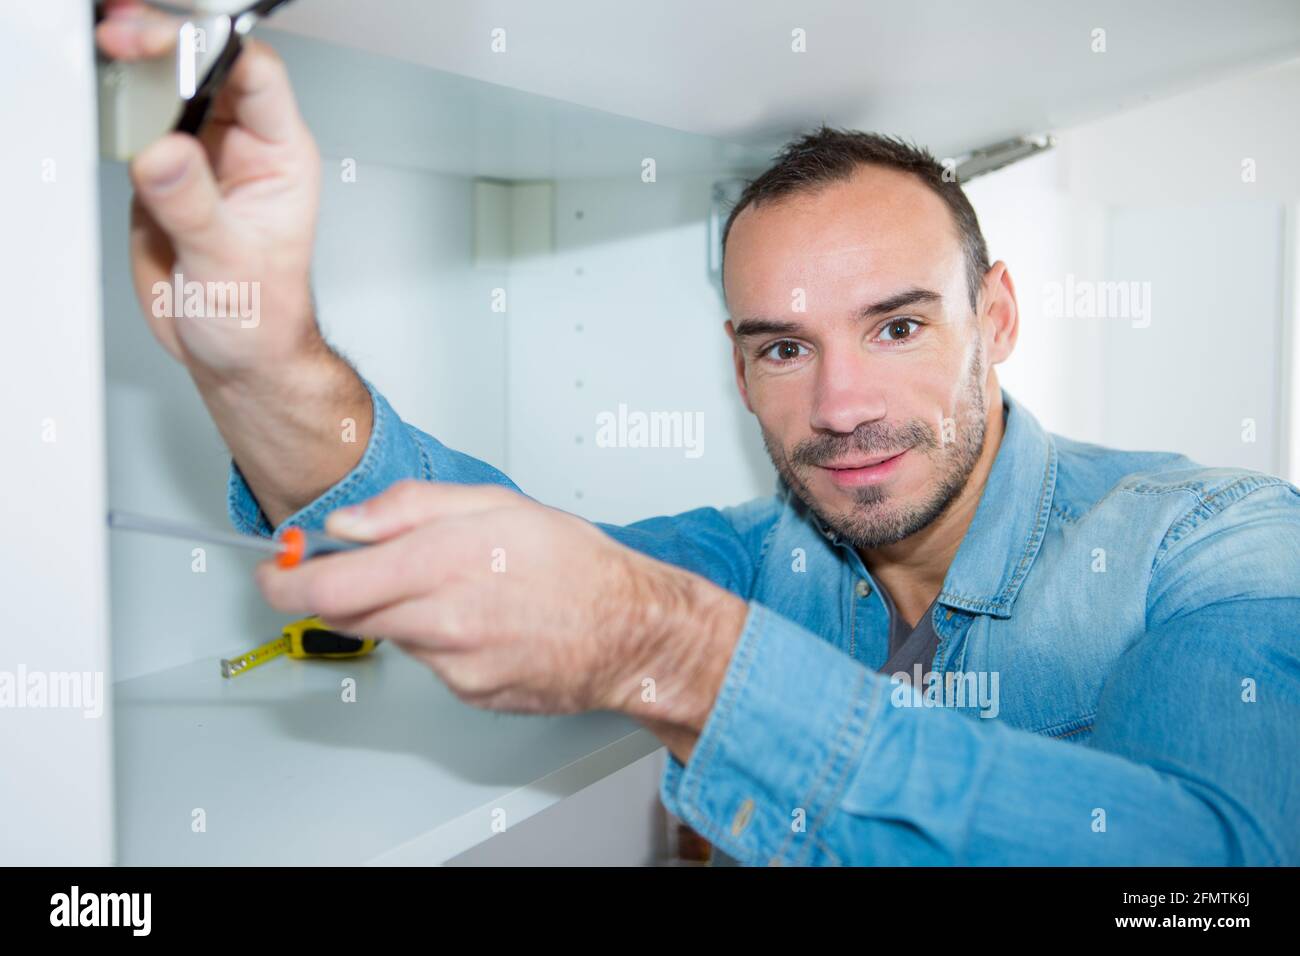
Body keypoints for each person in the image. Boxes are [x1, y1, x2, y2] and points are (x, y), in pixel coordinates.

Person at [99, 2, 1300, 865]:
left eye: (895, 326)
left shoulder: (1223, 544)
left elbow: (1216, 869)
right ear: (737, 367)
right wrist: (262, 356)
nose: (838, 407)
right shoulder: (761, 556)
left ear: (995, 316)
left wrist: (680, 656)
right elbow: (486, 546)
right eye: (784, 345)